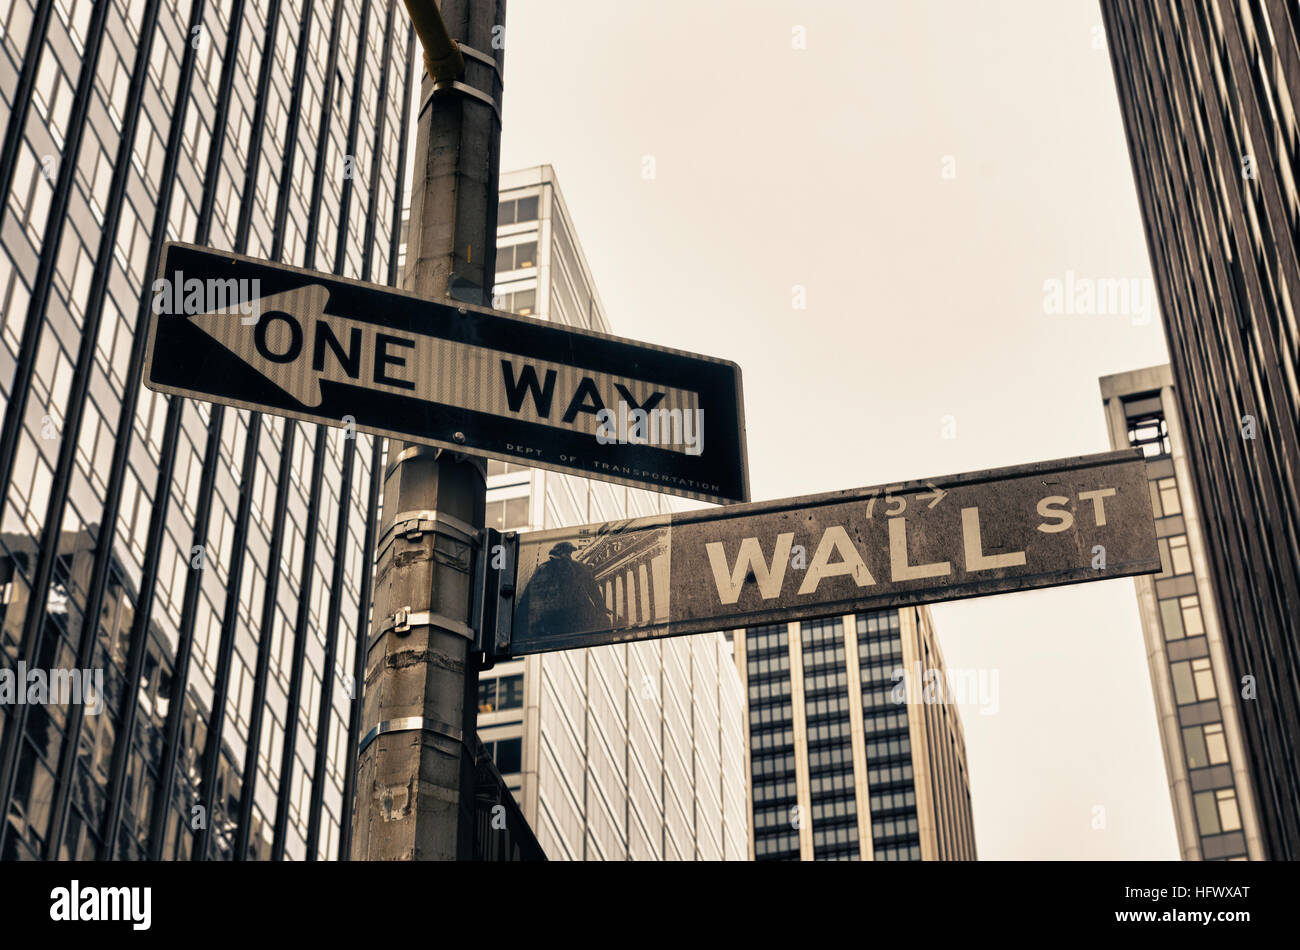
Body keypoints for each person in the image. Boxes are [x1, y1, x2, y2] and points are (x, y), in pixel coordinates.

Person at [515, 541, 610, 638]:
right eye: (566, 552)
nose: (567, 555)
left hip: (560, 618)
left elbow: (593, 589)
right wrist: (601, 609)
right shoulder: (577, 567)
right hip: (566, 618)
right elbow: (594, 590)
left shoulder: (546, 568)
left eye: (567, 553)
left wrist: (601, 609)